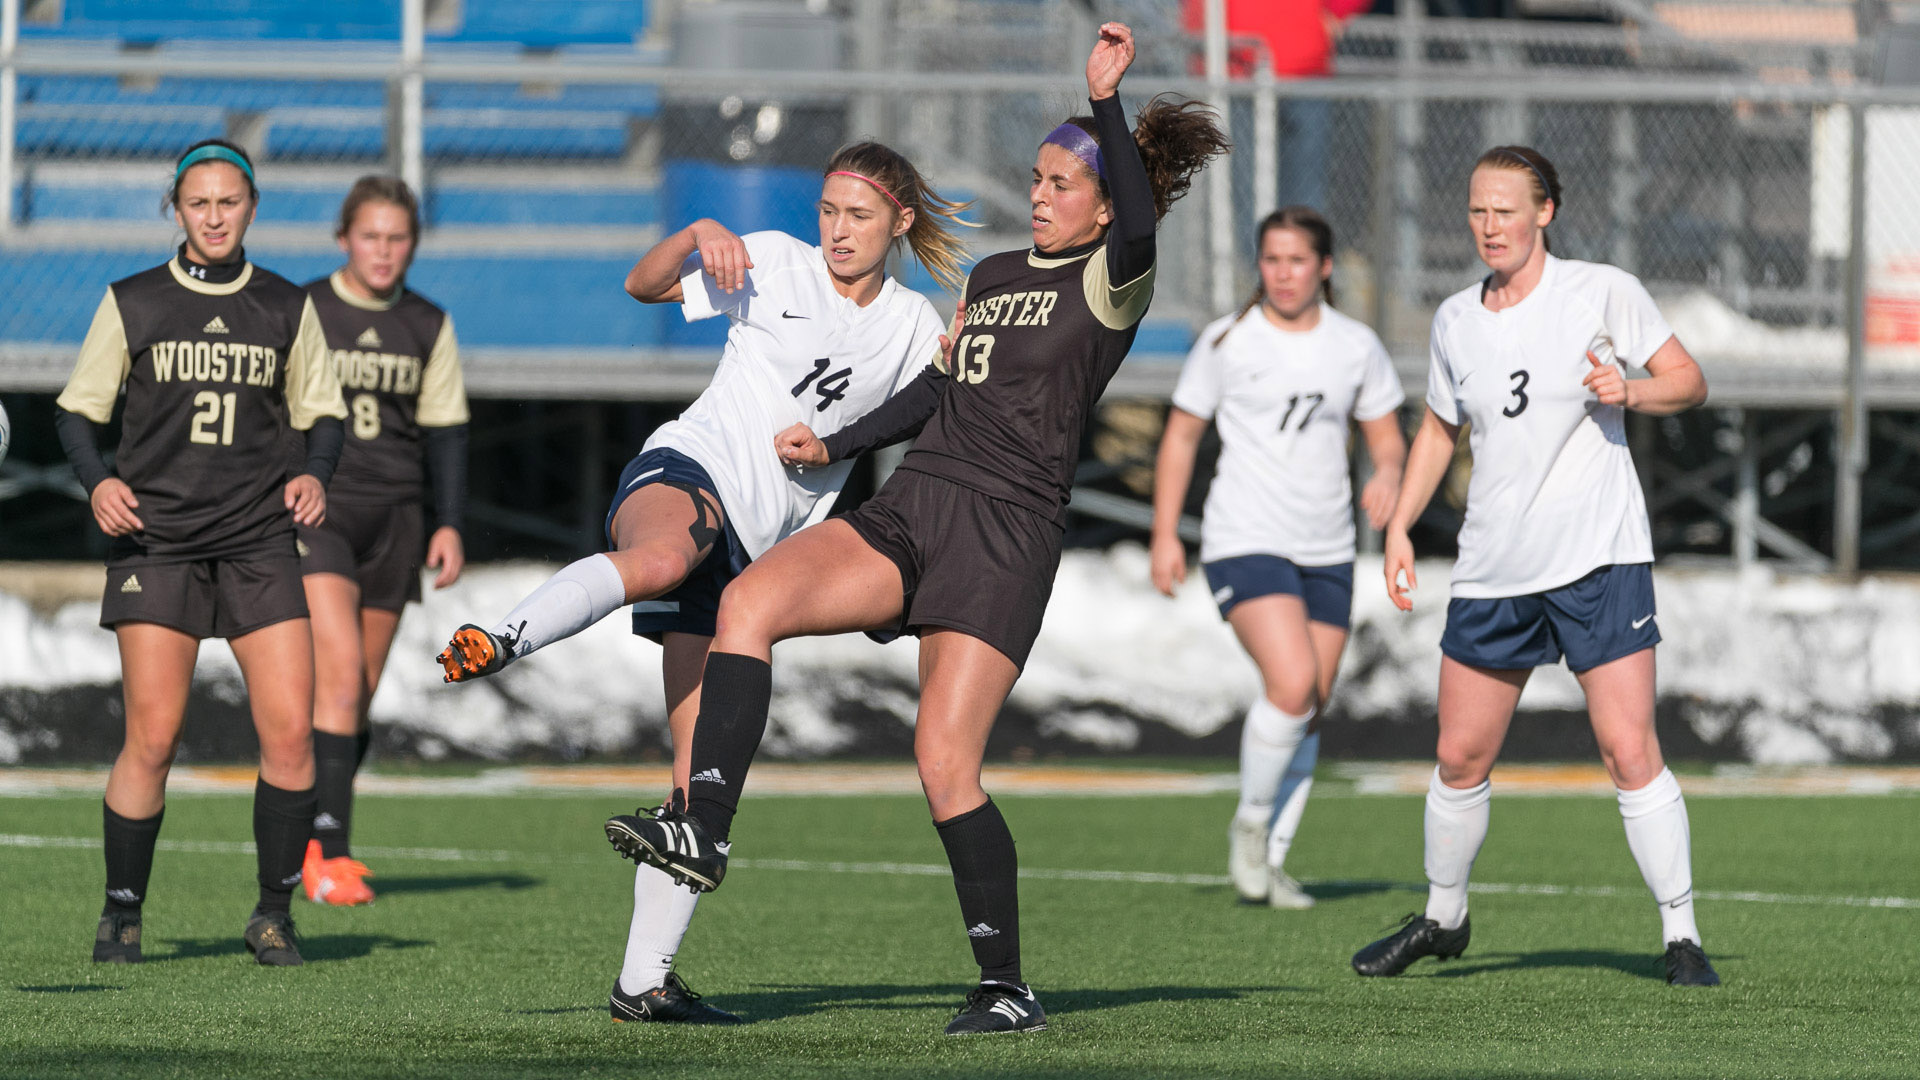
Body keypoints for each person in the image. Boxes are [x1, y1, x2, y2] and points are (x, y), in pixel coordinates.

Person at [604, 23, 1228, 1035]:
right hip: (917, 503)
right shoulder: (991, 276)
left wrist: (1106, 102)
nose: (1039, 195)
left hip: (1005, 535)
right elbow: (935, 395)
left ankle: (1005, 986)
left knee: (943, 763)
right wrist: (834, 442)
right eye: (1035, 178)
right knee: (748, 602)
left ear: (1109, 202)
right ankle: (702, 831)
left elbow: (1141, 219)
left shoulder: (1112, 280)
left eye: (1062, 184)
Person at [435, 142, 972, 1023]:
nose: (837, 231)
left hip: (754, 555)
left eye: (859, 216)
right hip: (687, 471)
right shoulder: (774, 260)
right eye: (829, 210)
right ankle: (502, 637)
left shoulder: (916, 324)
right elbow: (640, 287)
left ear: (901, 222)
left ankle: (642, 985)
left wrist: (966, 356)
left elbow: (934, 409)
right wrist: (695, 235)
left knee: (697, 792)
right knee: (663, 558)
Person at [1348, 146, 1718, 986]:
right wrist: (1400, 527)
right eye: (1478, 211)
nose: (1490, 227)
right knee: (1458, 755)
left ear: (1545, 212)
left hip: (1598, 558)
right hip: (1493, 566)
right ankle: (1444, 918)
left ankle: (1681, 936)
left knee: (1628, 749)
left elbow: (1688, 380)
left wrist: (1633, 391)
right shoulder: (1455, 318)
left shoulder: (1601, 290)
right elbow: (1439, 429)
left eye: (1506, 211)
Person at [53, 138, 348, 967]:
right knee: (153, 737)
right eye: (198, 203)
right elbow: (76, 411)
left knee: (291, 737)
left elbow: (323, 413)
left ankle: (273, 915)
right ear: (175, 209)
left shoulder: (286, 304)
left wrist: (316, 473)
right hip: (160, 543)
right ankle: (122, 913)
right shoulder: (135, 300)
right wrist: (98, 484)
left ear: (251, 206)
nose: (214, 217)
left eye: (229, 202)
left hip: (259, 541)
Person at [1150, 205, 1406, 910]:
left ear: (1325, 267)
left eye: (1297, 261)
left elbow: (1386, 437)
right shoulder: (1227, 341)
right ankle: (1251, 826)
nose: (1283, 274)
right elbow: (1180, 437)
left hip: (1327, 546)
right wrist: (1166, 533)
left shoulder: (1355, 345)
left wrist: (1388, 472)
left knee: (1310, 706)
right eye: (1271, 260)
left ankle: (1274, 863)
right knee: (1292, 685)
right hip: (1244, 538)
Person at [296, 176, 470, 907]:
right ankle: (328, 855)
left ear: (414, 246)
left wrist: (449, 521)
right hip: (322, 513)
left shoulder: (427, 322)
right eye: (370, 236)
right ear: (344, 239)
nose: (383, 250)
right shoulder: (305, 308)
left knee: (357, 695)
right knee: (337, 681)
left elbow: (446, 430)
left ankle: (310, 829)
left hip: (395, 519)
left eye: (397, 238)